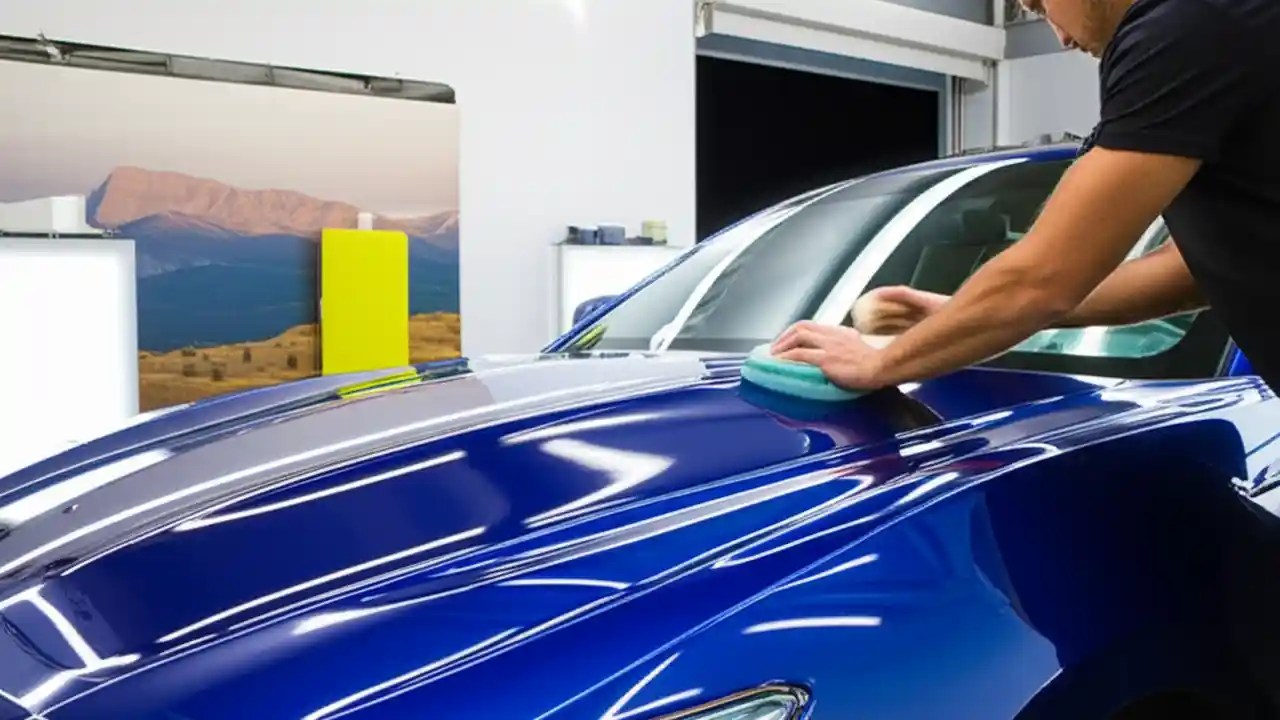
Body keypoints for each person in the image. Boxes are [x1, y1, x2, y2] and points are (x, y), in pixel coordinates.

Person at [771, 0, 1280, 393]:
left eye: (1038, 6)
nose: (1058, 36)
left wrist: (879, 362)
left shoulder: (1183, 28)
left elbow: (1043, 277)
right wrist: (959, 315)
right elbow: (1190, 273)